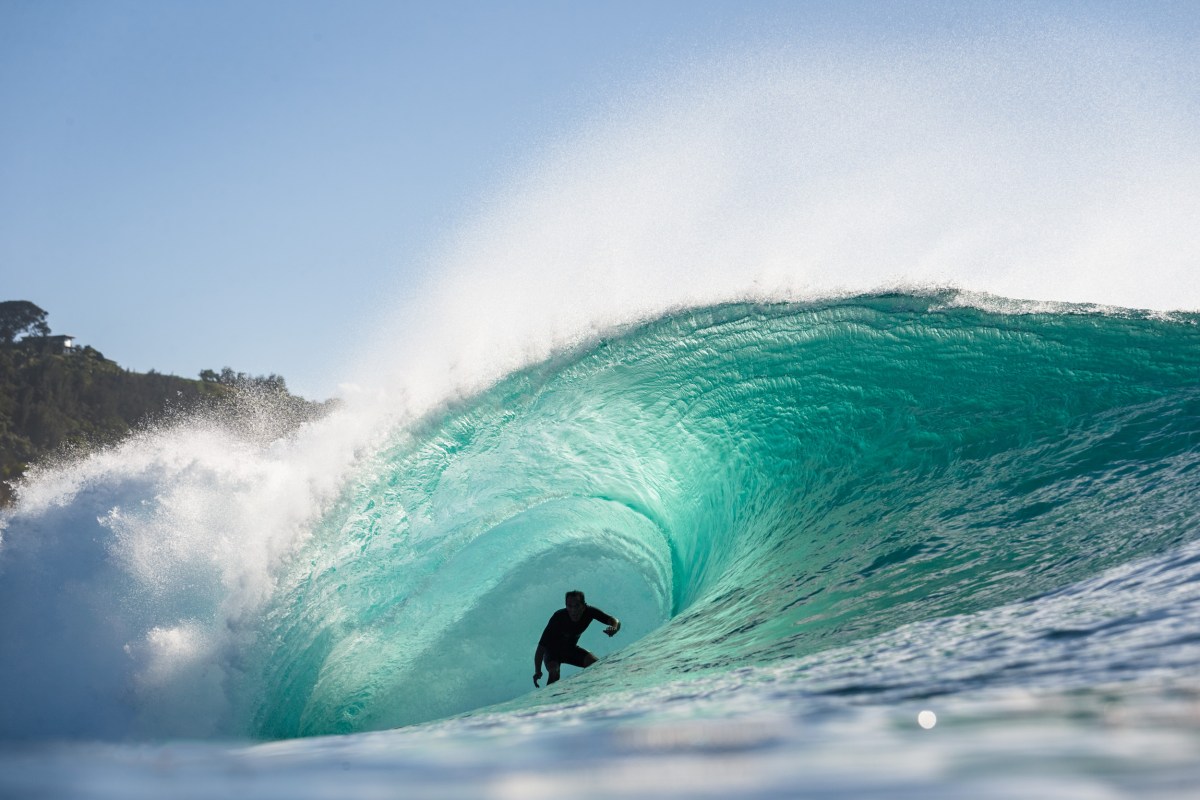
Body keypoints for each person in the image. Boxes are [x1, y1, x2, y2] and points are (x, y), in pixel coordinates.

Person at [533, 590, 621, 687]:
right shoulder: (558, 617)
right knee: (554, 672)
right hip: (552, 653)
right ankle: (549, 700)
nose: (573, 610)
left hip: (570, 650)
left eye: (577, 606)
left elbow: (613, 620)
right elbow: (541, 648)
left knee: (597, 665)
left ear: (584, 606)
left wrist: (614, 627)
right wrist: (538, 671)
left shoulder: (590, 612)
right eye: (569, 606)